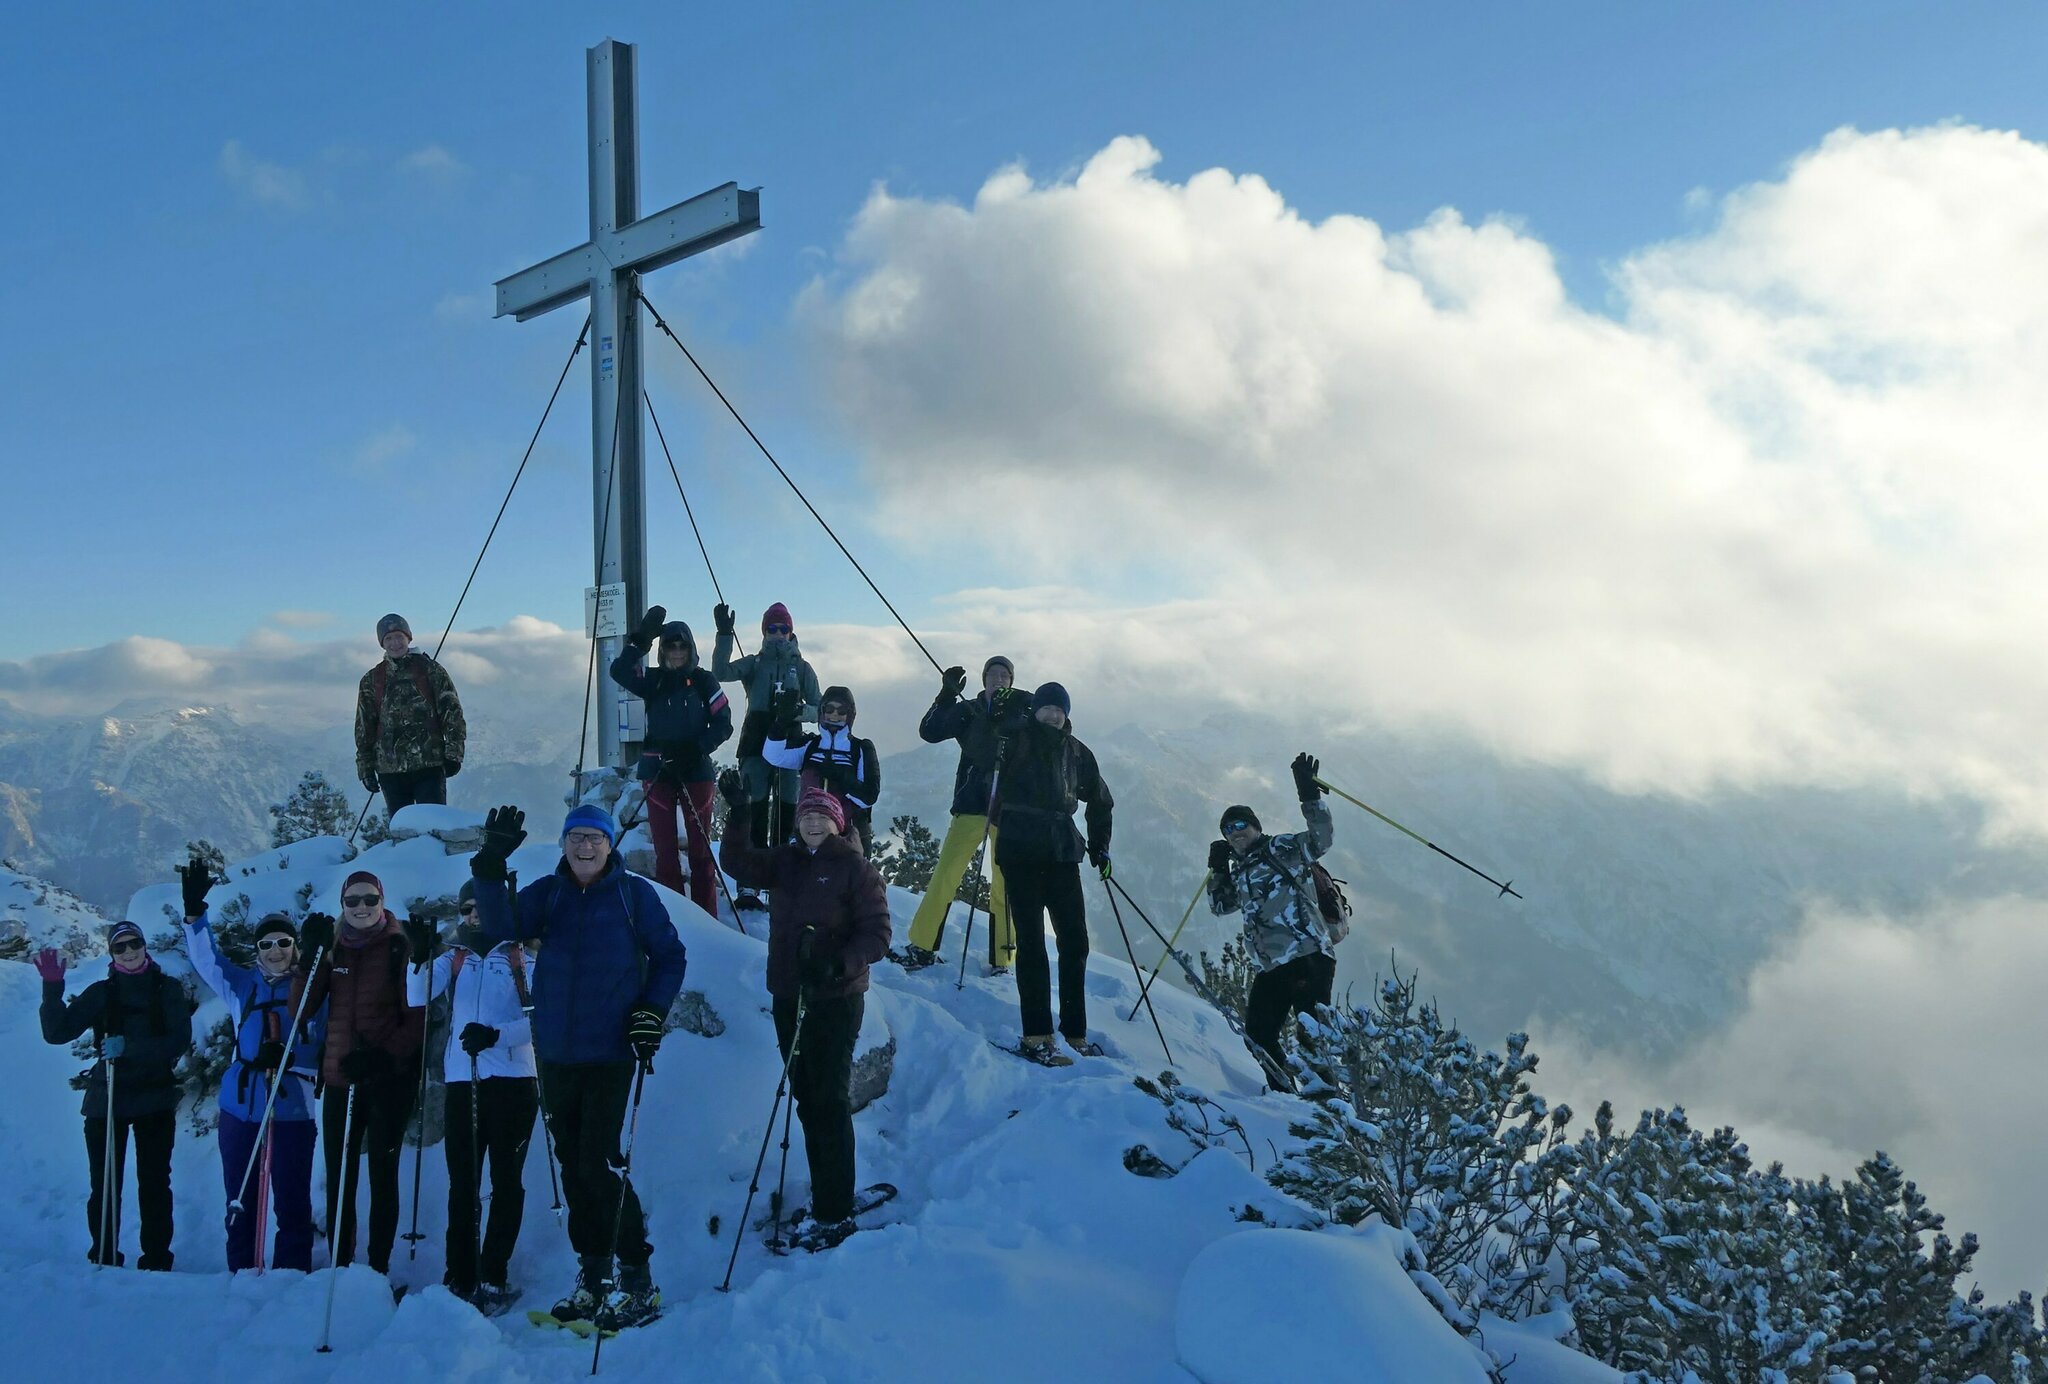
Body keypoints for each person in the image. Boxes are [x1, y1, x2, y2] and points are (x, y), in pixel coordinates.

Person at [469, 802, 688, 1331]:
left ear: (610, 845)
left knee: (600, 1163)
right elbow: (500, 926)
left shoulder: (634, 896)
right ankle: (593, 1277)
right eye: (576, 837)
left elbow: (670, 957)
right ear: (564, 843)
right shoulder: (550, 893)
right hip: (556, 1053)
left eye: (594, 837)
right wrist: (490, 866)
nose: (585, 846)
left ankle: (637, 1281)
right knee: (571, 1164)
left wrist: (650, 1014)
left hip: (611, 1051)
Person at [718, 777, 890, 1233]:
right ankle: (828, 1190)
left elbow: (878, 934)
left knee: (828, 1100)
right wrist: (740, 812)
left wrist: (837, 964)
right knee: (807, 1098)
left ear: (837, 823)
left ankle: (834, 1211)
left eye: (822, 816)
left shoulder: (855, 868)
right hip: (788, 994)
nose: (813, 822)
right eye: (807, 815)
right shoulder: (786, 861)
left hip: (836, 999)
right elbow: (736, 863)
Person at [180, 853, 325, 1273]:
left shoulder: (314, 988)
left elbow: (326, 1043)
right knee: (239, 1198)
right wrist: (195, 916)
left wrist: (293, 1058)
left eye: (283, 942)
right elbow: (207, 961)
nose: (275, 951)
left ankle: (290, 1277)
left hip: (293, 1108)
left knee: (292, 1200)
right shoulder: (242, 986)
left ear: (294, 946)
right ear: (256, 950)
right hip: (240, 1107)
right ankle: (241, 1274)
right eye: (266, 944)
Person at [404, 881, 539, 1311]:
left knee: (506, 1181)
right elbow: (416, 996)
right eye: (466, 908)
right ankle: (460, 1275)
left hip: (514, 1081)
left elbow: (542, 1021)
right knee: (463, 1183)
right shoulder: (455, 958)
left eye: (482, 906)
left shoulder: (522, 959)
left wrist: (496, 1036)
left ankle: (494, 1274)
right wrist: (418, 957)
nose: (474, 915)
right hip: (463, 1082)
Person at [36, 921, 193, 1269]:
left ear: (144, 945)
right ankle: (104, 1256)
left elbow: (178, 1041)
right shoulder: (102, 992)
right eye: (119, 947)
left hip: (154, 1097)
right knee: (105, 1183)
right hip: (107, 1098)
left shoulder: (166, 989)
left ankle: (156, 1260)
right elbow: (57, 1033)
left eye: (134, 943)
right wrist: (52, 991)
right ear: (111, 953)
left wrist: (129, 1047)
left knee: (154, 1182)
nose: (129, 951)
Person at [295, 870, 424, 1275]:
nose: (362, 907)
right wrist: (310, 957)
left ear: (382, 901)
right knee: (340, 1175)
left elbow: (417, 1018)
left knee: (382, 1174)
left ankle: (377, 1270)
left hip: (388, 1081)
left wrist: (383, 1058)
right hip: (340, 1079)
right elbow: (300, 1011)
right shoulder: (334, 949)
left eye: (370, 899)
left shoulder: (399, 947)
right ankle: (340, 1264)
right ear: (342, 905)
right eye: (352, 901)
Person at [990, 682, 1113, 1066]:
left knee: (1075, 942)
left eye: (1060, 709)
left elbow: (1100, 800)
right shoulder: (1013, 739)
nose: (1054, 715)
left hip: (1062, 852)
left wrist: (1100, 846)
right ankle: (1037, 1035)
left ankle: (1074, 1032)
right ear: (1036, 710)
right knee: (1031, 943)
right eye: (1047, 708)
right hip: (1020, 851)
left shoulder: (1077, 752)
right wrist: (998, 714)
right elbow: (982, 751)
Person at [1207, 753, 1339, 1090]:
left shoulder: (1281, 848)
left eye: (1240, 825)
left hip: (1308, 955)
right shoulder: (1241, 872)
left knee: (1313, 1040)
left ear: (1256, 827)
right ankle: (1287, 1099)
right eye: (1228, 829)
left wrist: (1309, 795)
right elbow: (1220, 906)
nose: (1234, 832)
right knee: (1258, 1035)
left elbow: (1321, 839)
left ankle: (1328, 1108)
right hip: (1272, 966)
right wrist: (1218, 869)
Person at [609, 605, 733, 915]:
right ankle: (674, 919)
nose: (677, 652)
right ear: (662, 650)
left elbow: (724, 723)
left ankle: (706, 920)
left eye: (682, 646)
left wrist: (697, 749)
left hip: (696, 770)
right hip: (658, 769)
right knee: (665, 853)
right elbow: (618, 671)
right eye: (671, 646)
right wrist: (641, 640)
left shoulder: (704, 681)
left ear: (690, 648)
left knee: (701, 853)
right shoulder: (653, 679)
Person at [900, 657, 1020, 971]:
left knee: (1005, 887)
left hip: (1007, 811)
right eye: (993, 674)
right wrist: (946, 696)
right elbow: (930, 731)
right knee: (945, 876)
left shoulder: (1021, 712)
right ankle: (923, 946)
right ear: (984, 679)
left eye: (1004, 675)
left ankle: (1003, 958)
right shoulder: (970, 709)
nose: (998, 679)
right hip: (971, 806)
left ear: (1011, 681)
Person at [710, 601, 820, 910]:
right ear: (764, 632)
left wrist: (797, 711)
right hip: (756, 744)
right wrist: (724, 635)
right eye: (772, 628)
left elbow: (820, 708)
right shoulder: (755, 663)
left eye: (783, 629)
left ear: (791, 632)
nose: (778, 634)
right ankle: (751, 881)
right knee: (754, 809)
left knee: (787, 810)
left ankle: (782, 878)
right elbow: (720, 672)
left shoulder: (803, 668)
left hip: (790, 745)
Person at [354, 612, 468, 811]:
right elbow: (364, 727)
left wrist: (454, 753)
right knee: (401, 827)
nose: (395, 643)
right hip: (390, 770)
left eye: (399, 636)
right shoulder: (371, 680)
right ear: (382, 643)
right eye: (389, 638)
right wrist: (365, 768)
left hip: (429, 765)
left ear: (408, 637)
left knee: (432, 823)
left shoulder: (431, 670)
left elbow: (452, 713)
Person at [762, 684, 880, 855]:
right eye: (829, 709)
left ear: (850, 715)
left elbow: (869, 797)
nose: (834, 715)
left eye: (842, 711)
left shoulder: (861, 748)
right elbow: (774, 756)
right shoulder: (811, 745)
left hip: (847, 839)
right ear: (821, 712)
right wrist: (781, 723)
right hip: (807, 837)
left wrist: (841, 777)